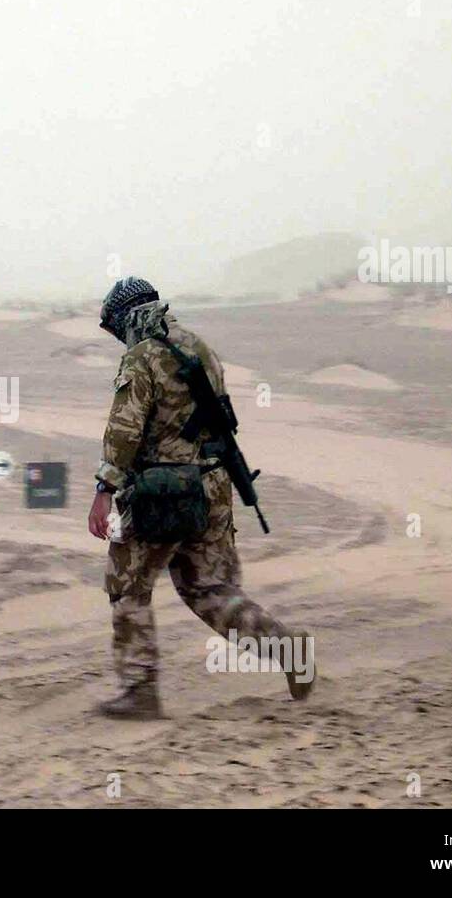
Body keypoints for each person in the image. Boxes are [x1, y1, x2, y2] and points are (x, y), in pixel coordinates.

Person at [87, 277, 313, 719]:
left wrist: (104, 491)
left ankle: (139, 690)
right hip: (212, 488)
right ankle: (289, 650)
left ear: (128, 316)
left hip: (162, 493)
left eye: (117, 327)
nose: (119, 338)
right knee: (212, 590)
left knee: (127, 584)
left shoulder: (142, 357)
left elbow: (125, 429)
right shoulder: (200, 347)